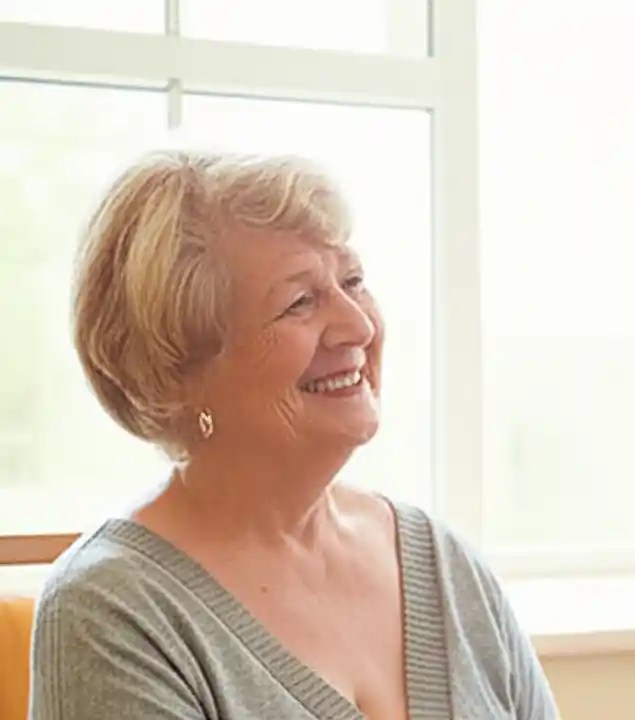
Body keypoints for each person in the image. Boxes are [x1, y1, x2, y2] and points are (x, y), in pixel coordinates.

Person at [29, 151, 559, 719]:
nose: (358, 325)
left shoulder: (442, 565)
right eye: (299, 303)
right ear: (182, 369)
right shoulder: (111, 611)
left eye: (353, 281)